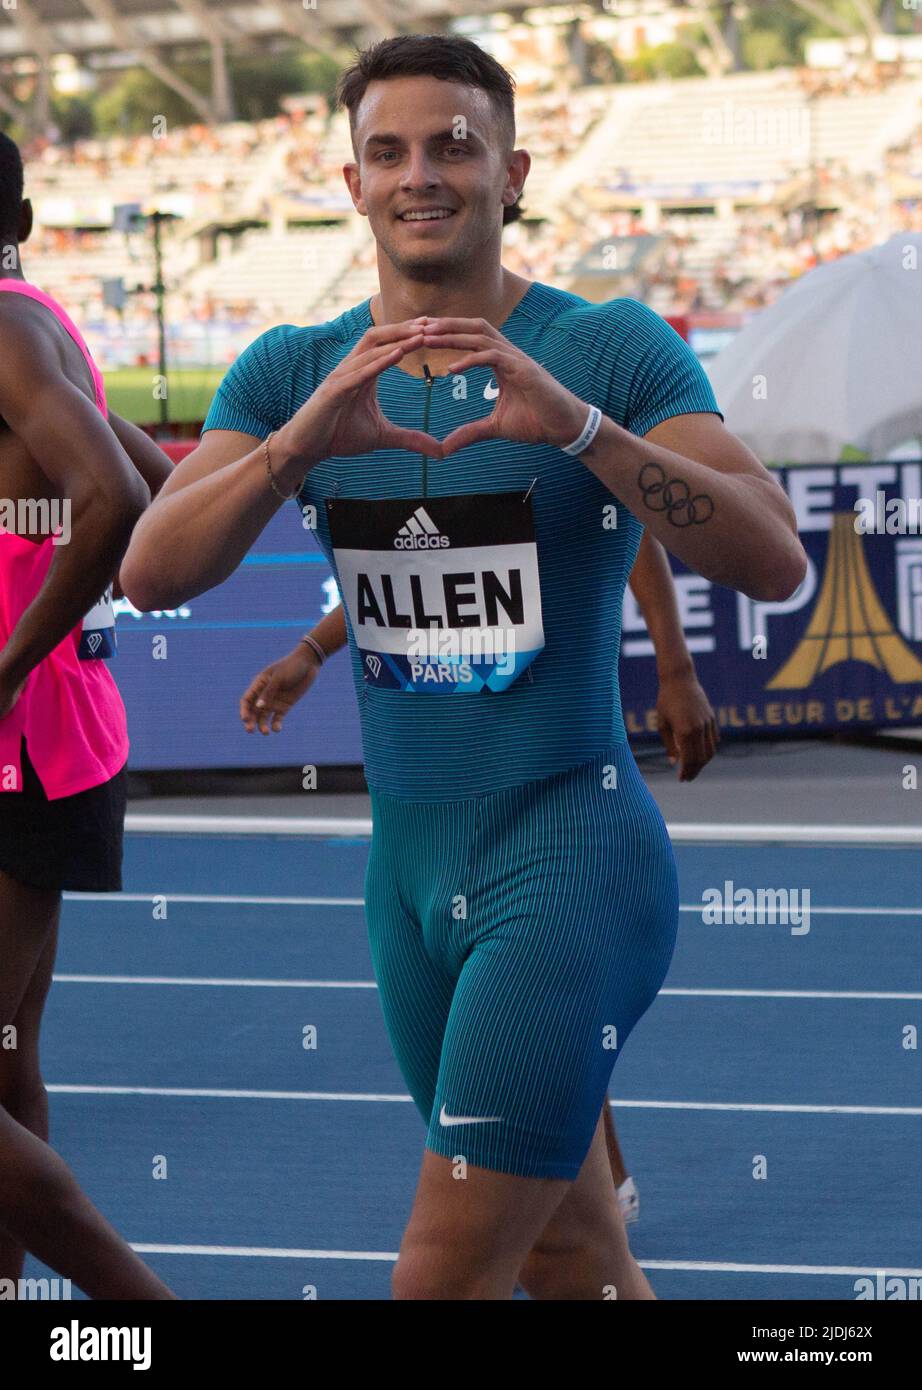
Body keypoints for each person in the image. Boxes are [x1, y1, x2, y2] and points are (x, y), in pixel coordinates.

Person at [121, 34, 806, 1300]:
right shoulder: (288, 367)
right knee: (568, 1256)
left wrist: (584, 431)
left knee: (439, 1277)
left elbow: (774, 563)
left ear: (513, 172)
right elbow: (152, 574)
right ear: (352, 183)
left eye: (453, 145)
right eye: (389, 150)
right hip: (407, 876)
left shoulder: (605, 346)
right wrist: (295, 445)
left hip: (571, 857)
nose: (419, 174)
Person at [239, 532, 720, 1229]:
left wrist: (675, 667)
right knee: (511, 1054)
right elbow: (417, 571)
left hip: (549, 784)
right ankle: (581, 1205)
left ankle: (596, 1190)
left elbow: (629, 522)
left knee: (533, 1021)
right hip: (431, 808)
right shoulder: (404, 453)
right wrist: (313, 650)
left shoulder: (554, 430)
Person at [0, 130, 175, 1299]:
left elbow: (114, 495)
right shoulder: (32, 315)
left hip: (23, 744)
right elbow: (156, 488)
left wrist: (13, 663)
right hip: (59, 734)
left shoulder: (4, 331)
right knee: (11, 1063)